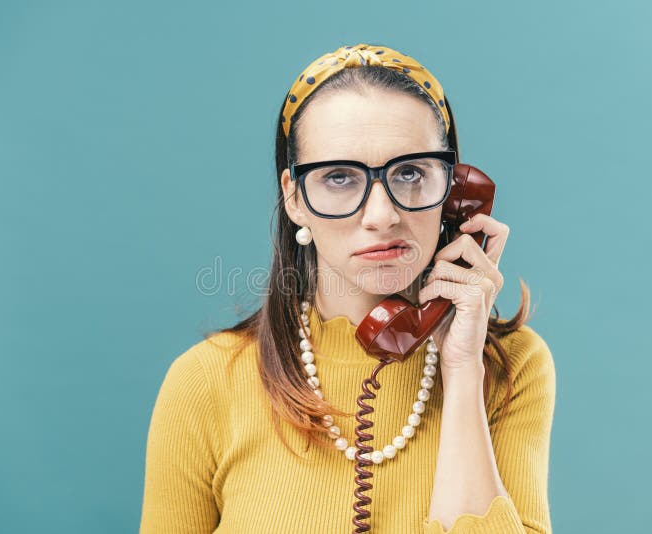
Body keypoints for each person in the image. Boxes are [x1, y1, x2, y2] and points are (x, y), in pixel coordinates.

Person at [139, 42, 556, 533]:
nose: (381, 216)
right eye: (339, 177)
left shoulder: (511, 367)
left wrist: (463, 372)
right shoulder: (206, 381)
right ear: (295, 199)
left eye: (410, 173)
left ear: (454, 190)